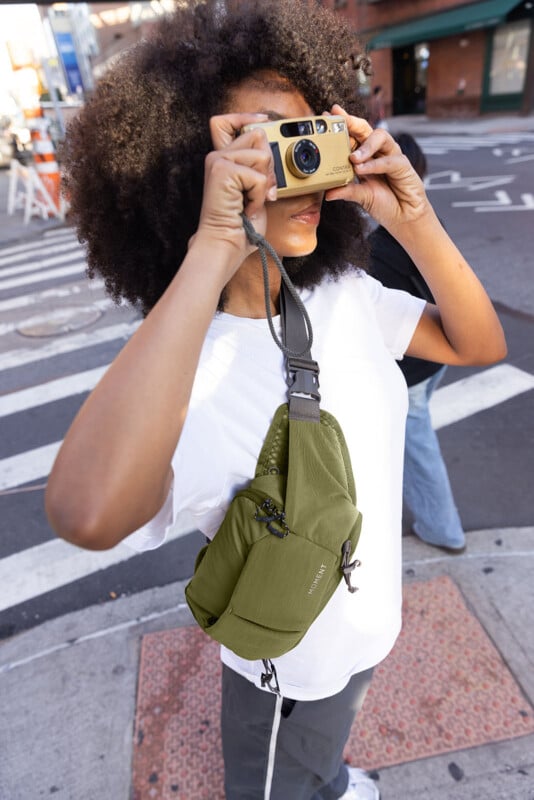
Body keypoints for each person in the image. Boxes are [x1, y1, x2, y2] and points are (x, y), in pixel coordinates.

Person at [44, 2, 506, 798]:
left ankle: (331, 779)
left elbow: (479, 345)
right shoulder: (189, 375)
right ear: (190, 173)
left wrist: (415, 217)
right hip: (285, 668)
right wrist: (216, 241)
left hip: (365, 630)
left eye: (307, 136)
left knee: (324, 752)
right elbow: (85, 513)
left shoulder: (345, 295)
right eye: (261, 145)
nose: (297, 168)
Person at [368, 133, 466, 554]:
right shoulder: (430, 225)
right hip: (435, 358)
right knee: (416, 442)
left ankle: (444, 530)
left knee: (418, 449)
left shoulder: (375, 250)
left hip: (410, 366)